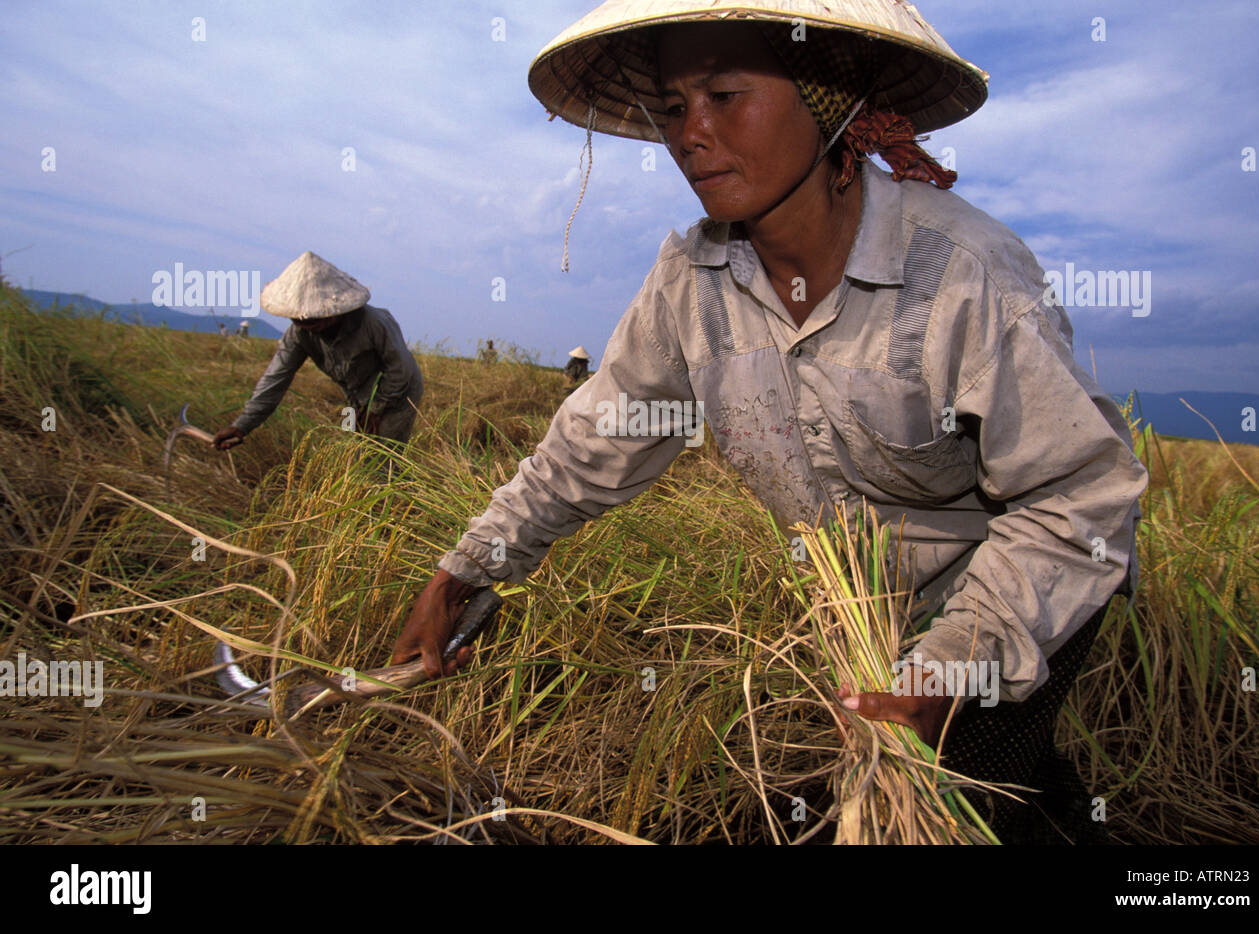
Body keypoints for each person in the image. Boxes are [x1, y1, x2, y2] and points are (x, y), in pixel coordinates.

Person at [392, 0, 1147, 842]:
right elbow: (589, 445)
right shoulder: (692, 282)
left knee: (969, 801)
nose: (690, 134)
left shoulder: (964, 276)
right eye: (675, 108)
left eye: (725, 95)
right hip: (869, 619)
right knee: (995, 794)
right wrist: (464, 570)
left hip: (1015, 599)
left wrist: (948, 670)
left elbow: (1081, 503)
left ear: (826, 102)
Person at [212, 251, 424, 449]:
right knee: (350, 447)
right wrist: (242, 425)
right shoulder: (298, 333)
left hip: (398, 393)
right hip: (356, 397)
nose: (306, 326)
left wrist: (376, 409)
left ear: (334, 312)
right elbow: (276, 378)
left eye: (314, 321)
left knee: (380, 456)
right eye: (298, 320)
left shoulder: (374, 323)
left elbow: (400, 369)